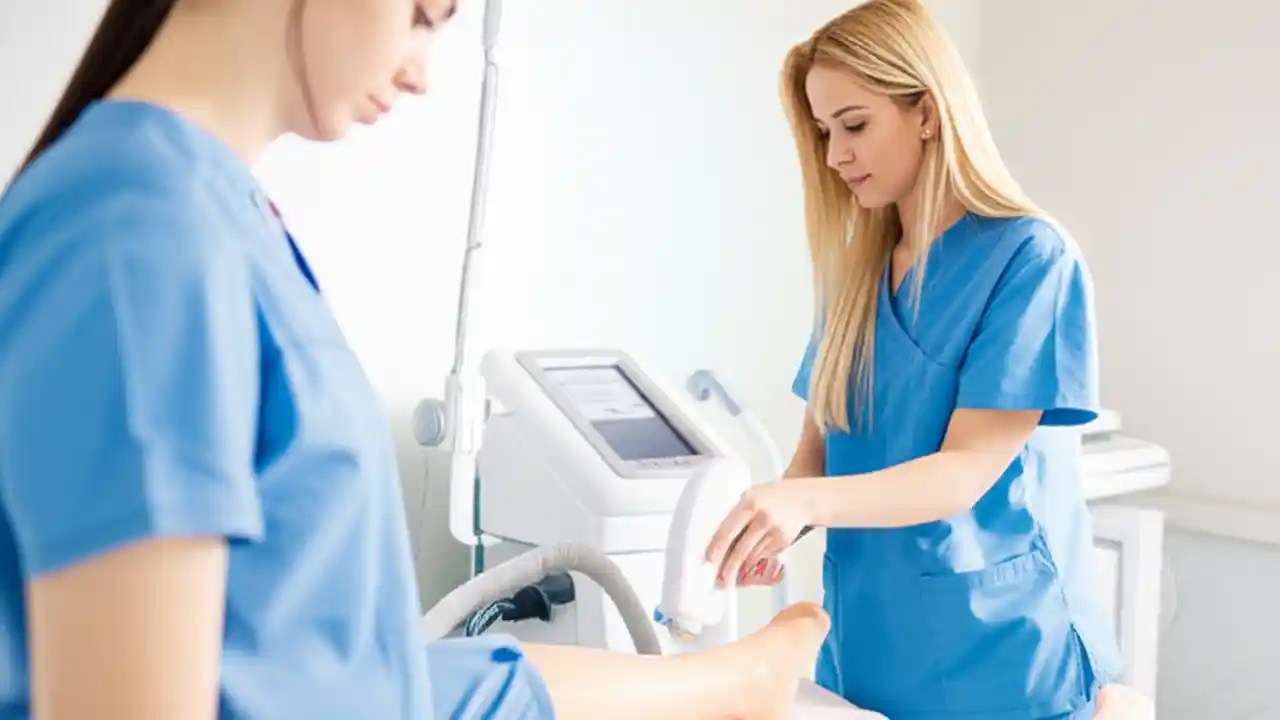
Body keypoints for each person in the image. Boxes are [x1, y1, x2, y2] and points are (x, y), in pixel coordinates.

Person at [0, 1, 832, 718]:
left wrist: (726, 682)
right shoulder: (138, 234)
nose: (421, 72)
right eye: (423, 16)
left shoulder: (208, 214)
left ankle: (732, 683)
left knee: (490, 678)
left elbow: (344, 672)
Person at [705, 1, 1147, 718]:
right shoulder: (857, 273)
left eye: (854, 125)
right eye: (824, 132)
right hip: (870, 646)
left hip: (1003, 651)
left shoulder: (1030, 259)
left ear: (927, 114)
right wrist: (772, 526)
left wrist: (803, 503)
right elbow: (818, 456)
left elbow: (965, 470)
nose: (835, 155)